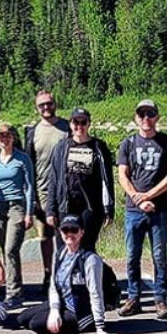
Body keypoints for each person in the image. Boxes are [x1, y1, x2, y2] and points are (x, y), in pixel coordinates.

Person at [116, 99, 167, 320]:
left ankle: (160, 299)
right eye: (142, 114)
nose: (146, 119)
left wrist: (149, 196)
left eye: (150, 114)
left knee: (159, 257)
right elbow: (123, 174)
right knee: (132, 256)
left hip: (159, 209)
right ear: (136, 118)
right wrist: (137, 198)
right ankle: (133, 298)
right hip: (134, 210)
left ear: (157, 117)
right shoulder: (128, 143)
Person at [18, 215, 121, 334]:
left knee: (36, 323)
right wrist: (55, 310)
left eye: (74, 230)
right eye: (65, 230)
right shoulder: (60, 254)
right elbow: (53, 286)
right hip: (64, 303)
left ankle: (79, 326)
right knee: (22, 318)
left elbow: (96, 293)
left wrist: (100, 328)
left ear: (82, 232)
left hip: (81, 312)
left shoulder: (90, 260)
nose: (69, 234)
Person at [44, 108, 115, 253]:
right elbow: (53, 180)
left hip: (90, 207)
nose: (79, 126)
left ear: (89, 124)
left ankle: (88, 275)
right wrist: (50, 210)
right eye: (76, 122)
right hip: (65, 206)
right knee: (64, 248)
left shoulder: (99, 147)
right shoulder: (61, 148)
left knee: (87, 247)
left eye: (83, 122)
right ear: (70, 124)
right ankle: (64, 275)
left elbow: (107, 180)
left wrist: (108, 209)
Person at [0, 122, 34, 309]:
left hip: (16, 207)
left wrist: (29, 212)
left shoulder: (22, 158)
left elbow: (29, 186)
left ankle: (13, 293)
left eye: (7, 135)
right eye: (0, 136)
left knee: (11, 249)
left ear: (13, 137)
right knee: (5, 250)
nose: (4, 139)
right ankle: (13, 288)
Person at [26, 91, 70, 291]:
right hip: (41, 193)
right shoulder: (33, 131)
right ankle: (47, 274)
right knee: (45, 237)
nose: (46, 107)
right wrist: (32, 196)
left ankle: (65, 273)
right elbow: (29, 165)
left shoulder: (67, 127)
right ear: (37, 107)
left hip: (65, 193)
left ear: (55, 104)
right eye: (41, 104)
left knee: (66, 235)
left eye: (49, 103)